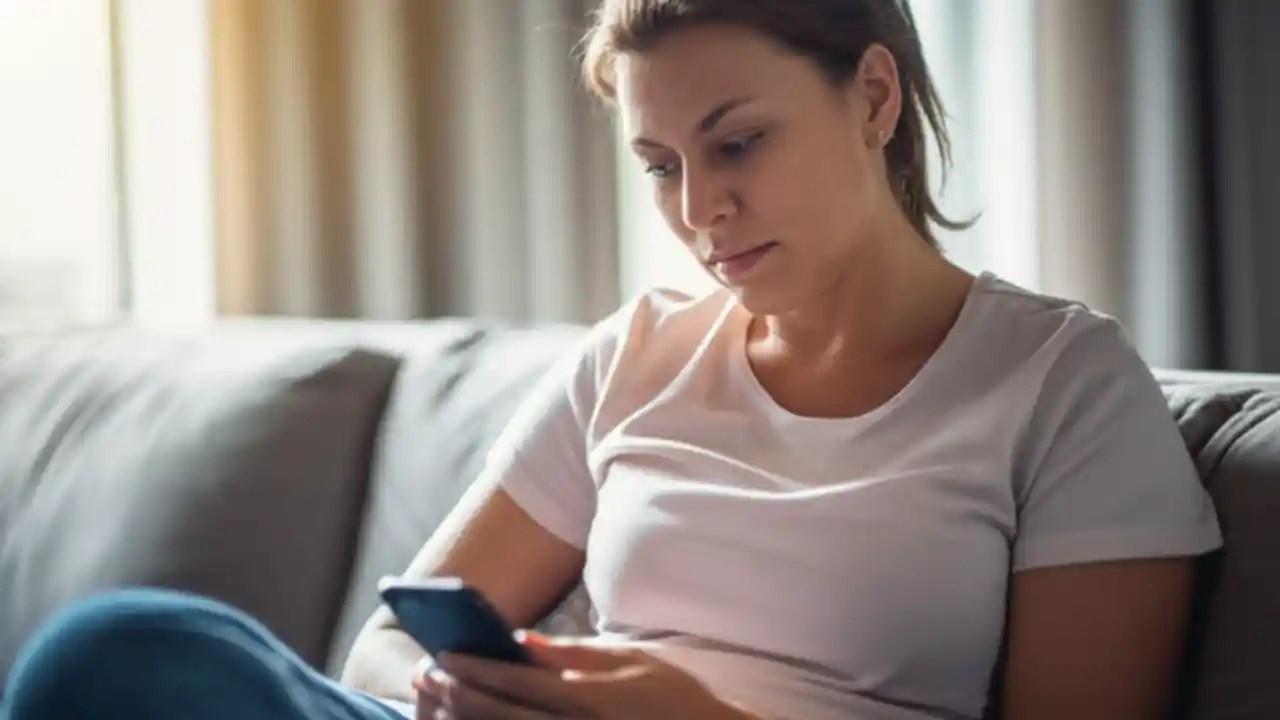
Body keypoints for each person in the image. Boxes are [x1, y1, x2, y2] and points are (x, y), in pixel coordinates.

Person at [0, 1, 1222, 719]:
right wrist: (457, 696)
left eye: (736, 143)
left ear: (872, 98)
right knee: (120, 650)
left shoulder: (1062, 383)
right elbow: (384, 643)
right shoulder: (636, 355)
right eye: (659, 164)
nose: (699, 212)